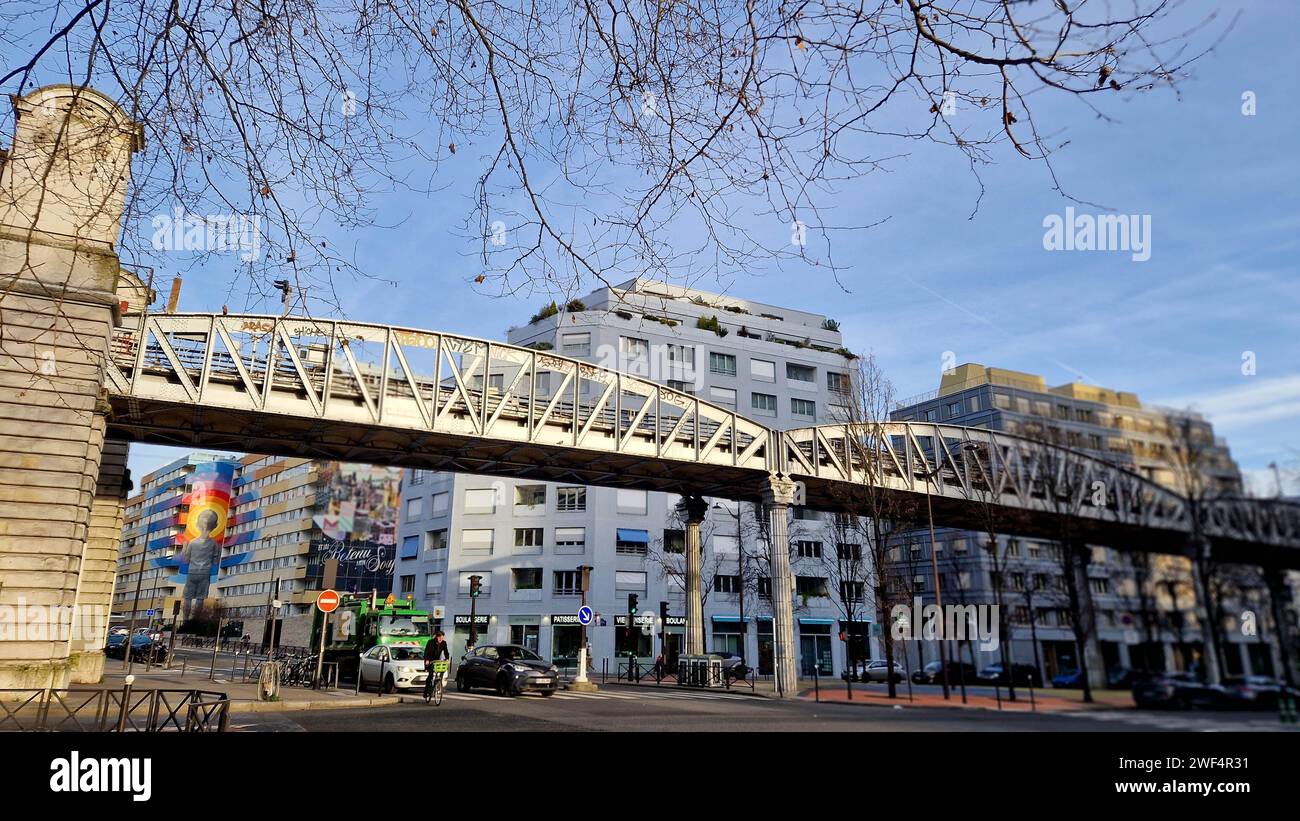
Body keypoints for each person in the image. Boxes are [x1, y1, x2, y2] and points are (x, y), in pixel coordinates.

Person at [423, 630, 451, 700]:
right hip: (430, 660)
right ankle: (426, 691)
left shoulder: (444, 643)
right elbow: (426, 652)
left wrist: (447, 659)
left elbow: (446, 652)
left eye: (442, 638)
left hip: (437, 661)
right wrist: (427, 660)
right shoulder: (430, 642)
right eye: (440, 638)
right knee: (430, 675)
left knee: (441, 672)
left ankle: (438, 684)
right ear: (437, 637)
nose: (441, 639)